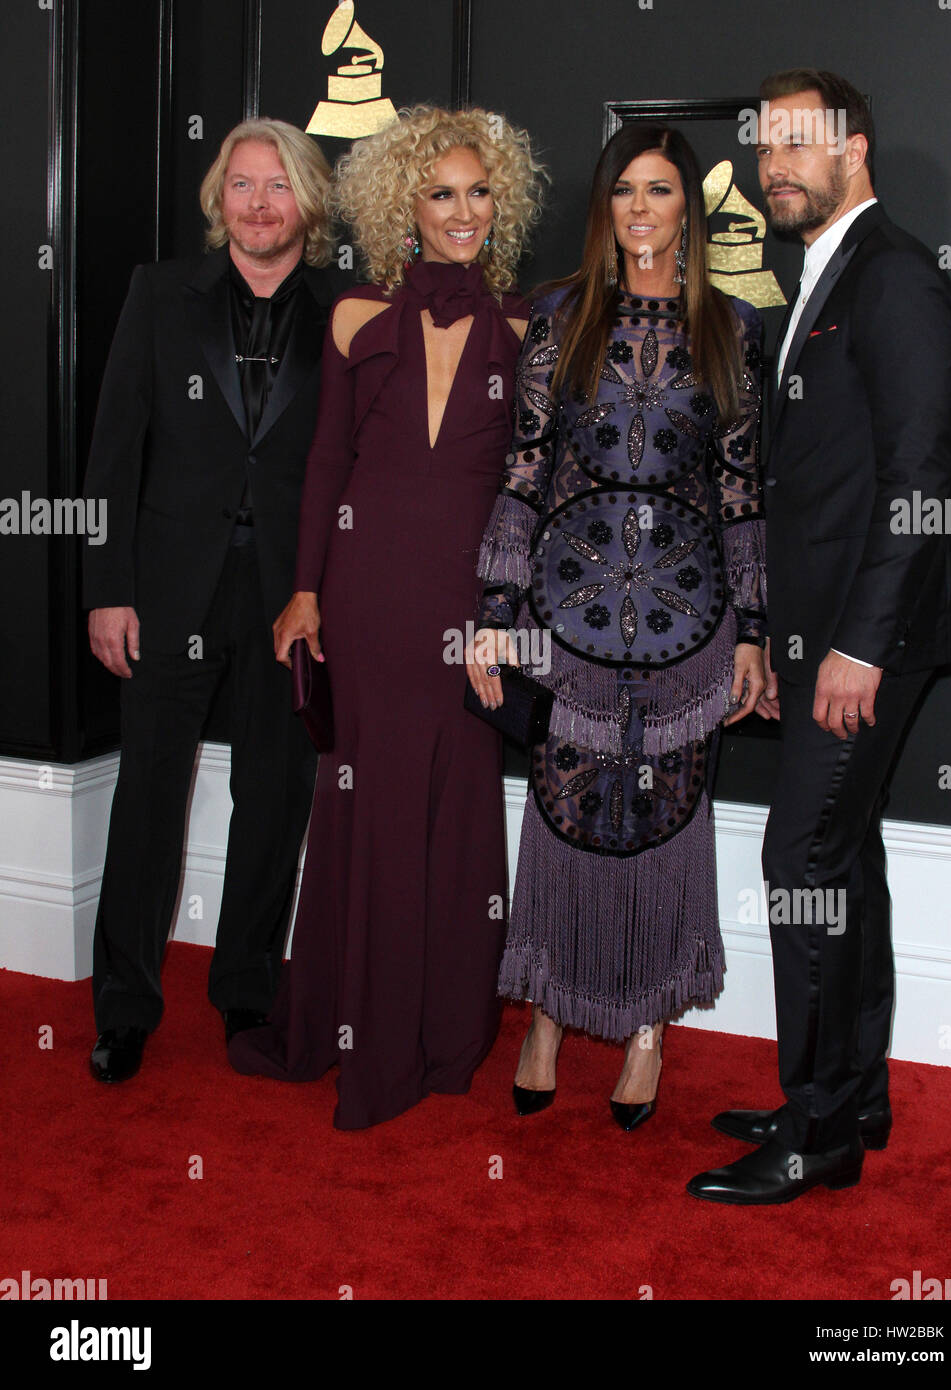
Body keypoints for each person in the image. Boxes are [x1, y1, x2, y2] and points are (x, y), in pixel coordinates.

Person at [228, 106, 544, 1129]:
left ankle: (442, 1036)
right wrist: (309, 586)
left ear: (502, 205)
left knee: (453, 807)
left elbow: (534, 488)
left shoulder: (531, 328)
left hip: (466, 602)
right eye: (440, 193)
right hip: (366, 590)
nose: (461, 211)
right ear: (404, 204)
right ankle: (348, 1023)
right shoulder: (355, 315)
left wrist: (510, 612)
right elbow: (326, 459)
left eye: (478, 192)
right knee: (361, 801)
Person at [688, 69, 951, 1204]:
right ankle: (848, 1094)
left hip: (867, 640)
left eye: (797, 146)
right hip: (823, 634)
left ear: (854, 148)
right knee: (843, 859)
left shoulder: (895, 279)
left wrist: (853, 646)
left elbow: (920, 482)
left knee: (799, 862)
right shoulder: (823, 272)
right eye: (763, 153)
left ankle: (816, 1135)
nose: (773, 169)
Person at [467, 122, 766, 1130]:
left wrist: (757, 633)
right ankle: (548, 1011)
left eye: (662, 191)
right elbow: (524, 467)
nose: (642, 209)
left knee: (667, 830)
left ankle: (647, 1030)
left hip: (691, 625)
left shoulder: (730, 328)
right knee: (561, 822)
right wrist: (494, 615)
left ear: (689, 209)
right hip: (571, 613)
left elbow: (739, 491)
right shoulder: (560, 318)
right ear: (607, 209)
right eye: (626, 192)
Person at [83, 119, 340, 1082]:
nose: (259, 202)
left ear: (306, 200)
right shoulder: (159, 295)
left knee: (275, 796)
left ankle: (245, 995)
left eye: (278, 185)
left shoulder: (344, 311)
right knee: (147, 797)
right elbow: (112, 454)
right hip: (167, 588)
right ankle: (123, 1007)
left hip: (290, 596)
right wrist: (108, 589)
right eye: (241, 184)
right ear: (217, 199)